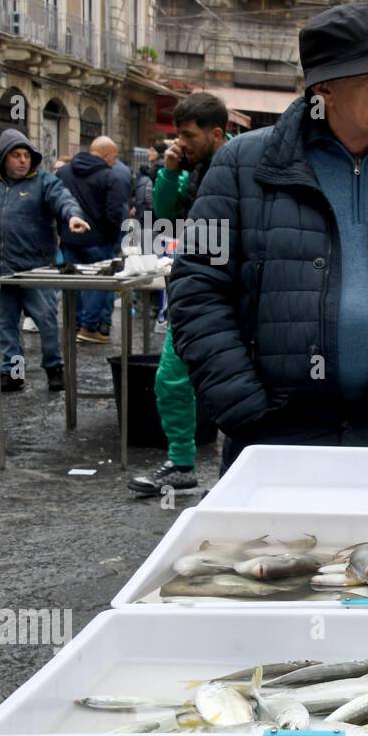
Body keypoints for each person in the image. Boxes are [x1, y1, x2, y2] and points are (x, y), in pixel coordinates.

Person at [168, 2, 368, 472]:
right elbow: (197, 290)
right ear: (325, 88)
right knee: (277, 547)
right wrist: (245, 411)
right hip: (278, 434)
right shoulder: (242, 166)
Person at [126, 92, 230, 496]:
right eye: (178, 134)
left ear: (216, 133)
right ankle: (182, 464)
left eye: (187, 135)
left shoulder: (239, 167)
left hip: (233, 295)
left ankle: (236, 475)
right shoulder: (191, 170)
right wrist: (168, 172)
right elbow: (163, 222)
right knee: (171, 378)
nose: (180, 142)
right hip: (192, 292)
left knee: (238, 386)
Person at [0, 129, 90, 392]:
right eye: (16, 155)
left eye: (26, 155)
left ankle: (54, 369)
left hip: (35, 268)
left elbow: (63, 200)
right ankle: (13, 374)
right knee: (6, 325)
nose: (23, 160)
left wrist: (72, 216)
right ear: (3, 158)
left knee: (46, 320)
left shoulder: (44, 181)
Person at [56, 135, 132, 344]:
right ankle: (89, 326)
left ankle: (78, 324)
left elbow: (56, 202)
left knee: (75, 283)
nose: (114, 162)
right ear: (107, 154)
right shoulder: (109, 176)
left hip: (70, 238)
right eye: (114, 158)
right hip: (100, 240)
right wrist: (112, 235)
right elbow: (115, 212)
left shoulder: (63, 172)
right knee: (101, 282)